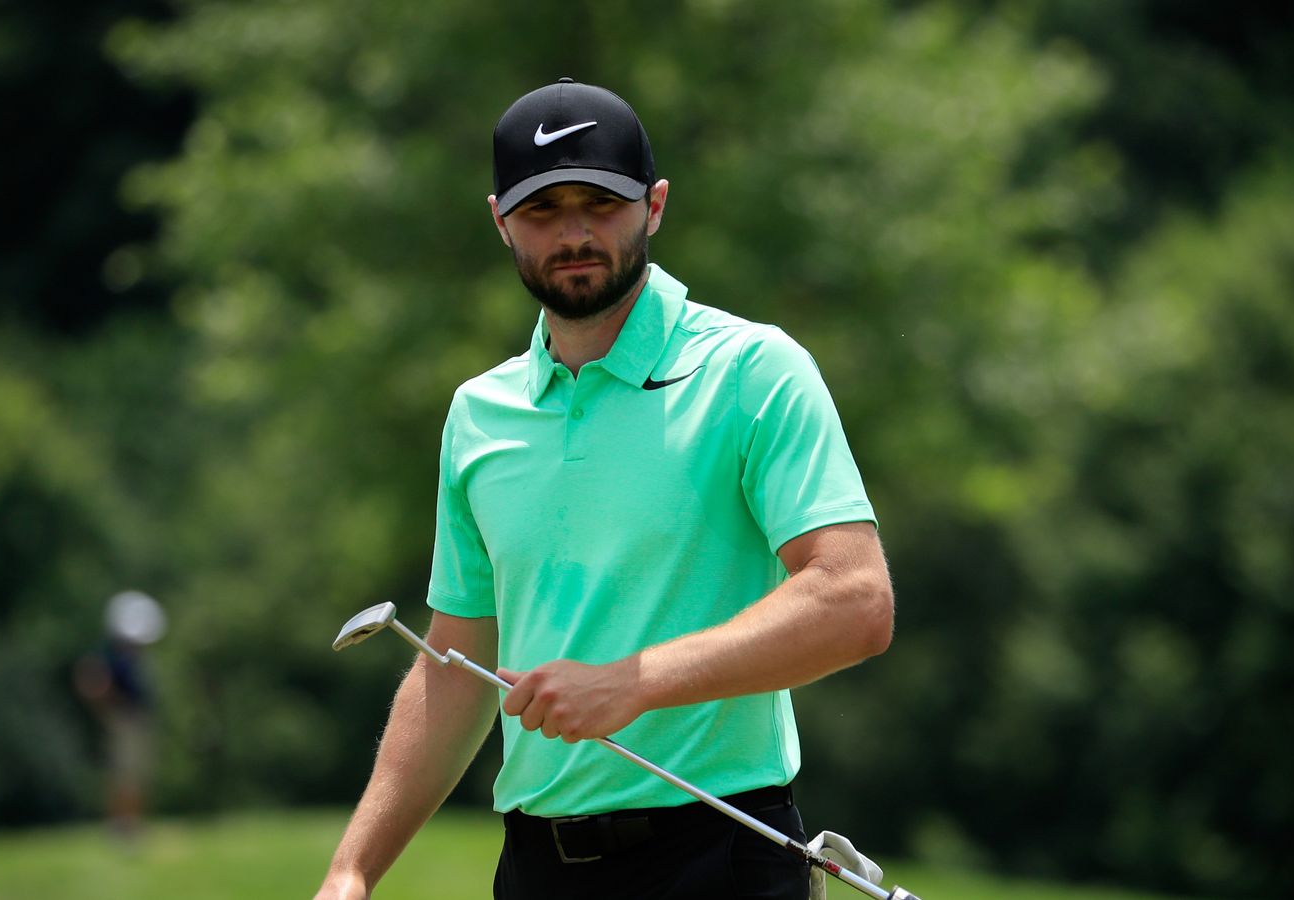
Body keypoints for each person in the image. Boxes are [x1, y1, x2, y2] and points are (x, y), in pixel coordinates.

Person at [315, 77, 894, 900]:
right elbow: (457, 665)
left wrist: (635, 680)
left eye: (602, 203)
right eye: (543, 210)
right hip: (535, 870)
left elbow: (855, 601)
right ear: (500, 221)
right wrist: (352, 870)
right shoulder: (480, 413)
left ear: (654, 206)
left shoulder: (752, 370)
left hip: (720, 855)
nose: (575, 233)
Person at [74, 590, 166, 842]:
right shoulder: (109, 655)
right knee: (126, 776)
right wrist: (114, 708)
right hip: (125, 721)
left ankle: (132, 825)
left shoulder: (128, 655)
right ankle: (123, 828)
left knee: (136, 776)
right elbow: (90, 681)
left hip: (135, 720)